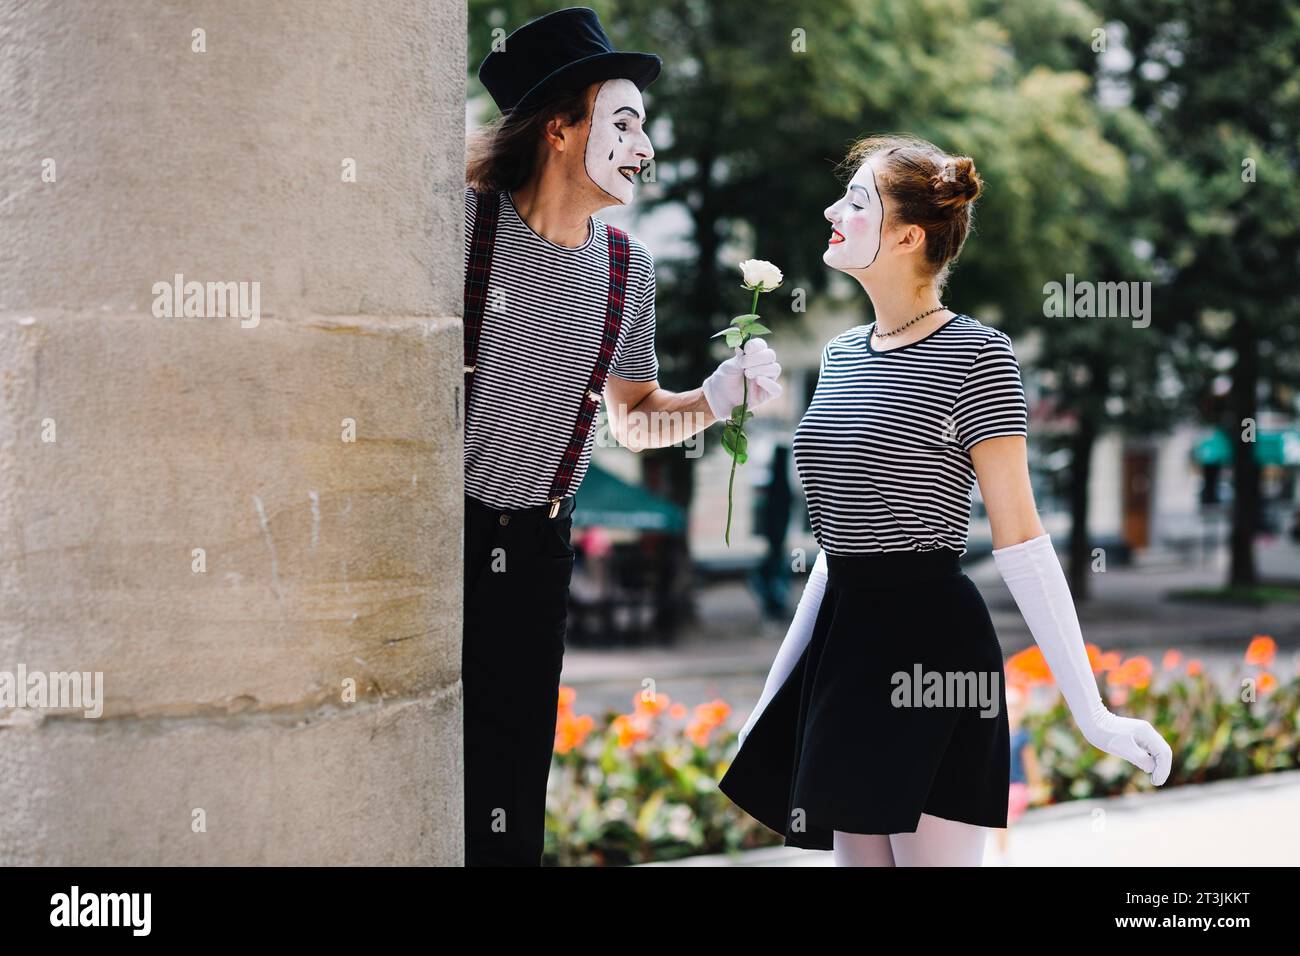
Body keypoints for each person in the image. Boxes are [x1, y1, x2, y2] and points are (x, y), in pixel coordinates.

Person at [718, 134, 1172, 867]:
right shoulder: (838, 356)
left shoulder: (977, 354)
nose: (833, 209)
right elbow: (840, 555)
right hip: (845, 651)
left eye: (857, 200)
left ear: (907, 235)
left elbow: (1021, 538)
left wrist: (1092, 713)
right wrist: (773, 699)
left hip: (934, 657)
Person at [461, 6, 783, 866]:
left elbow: (634, 417)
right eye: (626, 123)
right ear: (562, 126)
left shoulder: (627, 266)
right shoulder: (461, 229)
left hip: (537, 549)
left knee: (511, 775)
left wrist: (716, 399)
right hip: (439, 539)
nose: (644, 148)